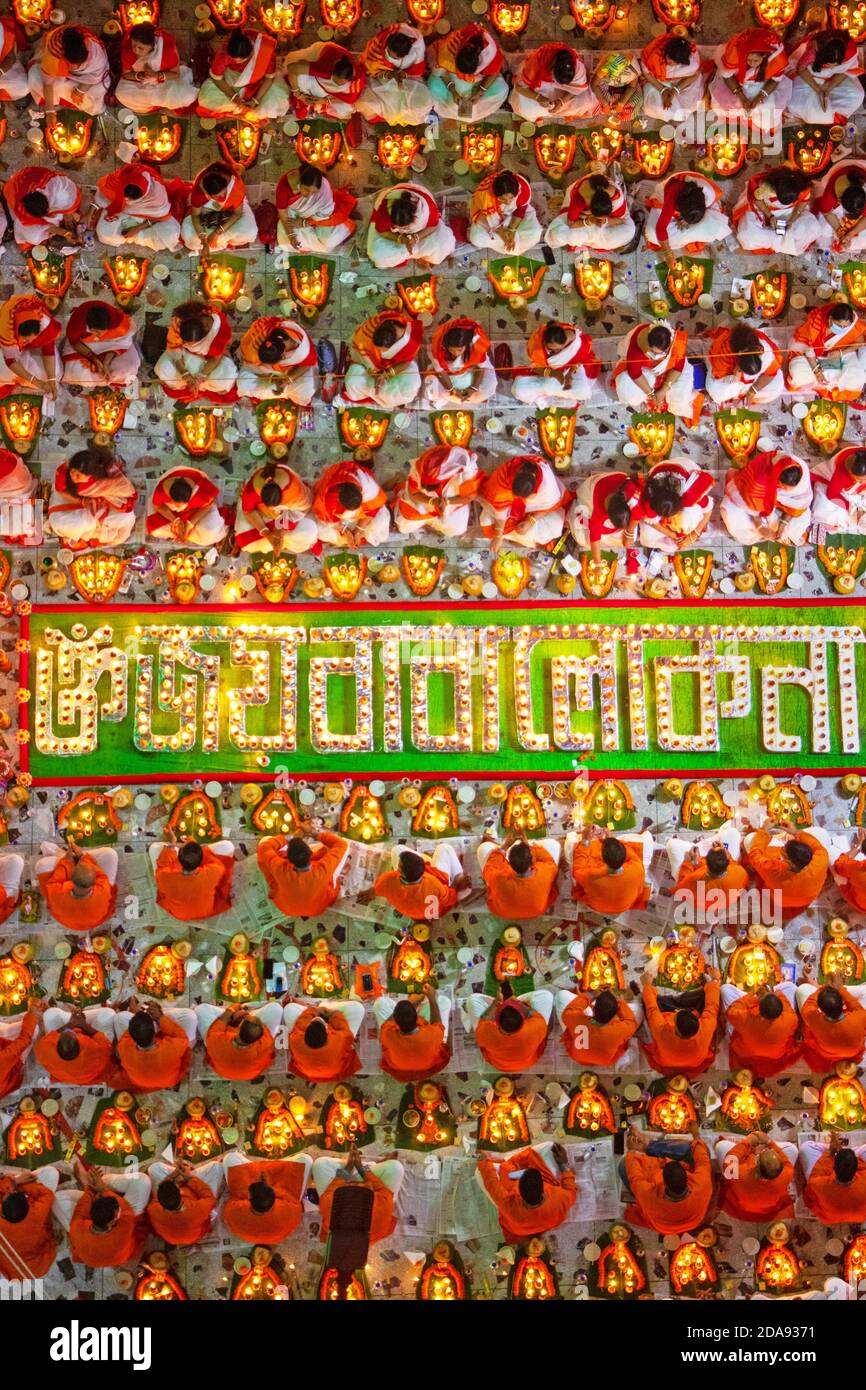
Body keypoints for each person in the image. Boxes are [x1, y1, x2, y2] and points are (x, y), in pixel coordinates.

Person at [57, 1163, 150, 1268]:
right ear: (113, 1221)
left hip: (86, 1241)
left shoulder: (77, 1228)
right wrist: (104, 1189)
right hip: (120, 1248)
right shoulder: (124, 1229)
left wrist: (89, 1189)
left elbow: (80, 1211)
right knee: (143, 1181)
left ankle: (93, 1183)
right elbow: (126, 1209)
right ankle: (100, 1182)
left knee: (57, 1198)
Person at [623, 1127, 713, 1234]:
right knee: (693, 1148)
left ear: (664, 1183)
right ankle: (648, 1145)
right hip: (693, 1222)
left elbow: (635, 1178)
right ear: (687, 1175)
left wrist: (633, 1151)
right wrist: (696, 1135)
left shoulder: (648, 1197)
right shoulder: (702, 1185)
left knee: (622, 1165)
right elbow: (703, 1160)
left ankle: (647, 1147)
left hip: (663, 1228)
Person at [478, 1143, 576, 1242]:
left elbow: (491, 1183)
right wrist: (563, 1164)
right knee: (549, 1145)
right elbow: (570, 1190)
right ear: (543, 1190)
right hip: (548, 1221)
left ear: (519, 1194)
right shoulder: (561, 1199)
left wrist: (481, 1159)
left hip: (519, 1229)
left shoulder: (510, 1206)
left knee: (480, 1173)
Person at [313, 1145, 404, 1247]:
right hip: (371, 1187)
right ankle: (372, 1166)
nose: (356, 1184)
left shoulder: (332, 1205)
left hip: (346, 1183)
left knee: (319, 1164)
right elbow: (380, 1187)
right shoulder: (382, 1204)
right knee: (396, 1167)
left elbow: (332, 1188)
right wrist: (361, 1169)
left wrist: (348, 1168)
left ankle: (366, 1167)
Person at [47, 447, 137, 549]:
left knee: (126, 520)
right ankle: (94, 531)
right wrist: (81, 501)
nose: (73, 477)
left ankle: (95, 531)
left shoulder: (103, 481)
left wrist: (97, 501)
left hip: (103, 503)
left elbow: (125, 492)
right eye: (72, 472)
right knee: (60, 524)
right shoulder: (64, 471)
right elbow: (61, 490)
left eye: (78, 475)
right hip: (69, 503)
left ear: (91, 476)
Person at [721, 450, 813, 547]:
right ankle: (767, 533)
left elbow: (798, 503)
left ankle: (778, 532)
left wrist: (783, 524)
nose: (784, 491)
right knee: (731, 516)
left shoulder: (802, 473)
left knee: (802, 521)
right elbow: (750, 501)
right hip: (752, 507)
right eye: (783, 487)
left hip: (777, 508)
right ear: (776, 478)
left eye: (789, 489)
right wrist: (761, 528)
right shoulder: (760, 479)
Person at [197, 26, 290, 122]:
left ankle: (242, 109)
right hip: (231, 81)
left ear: (251, 53)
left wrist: (255, 100)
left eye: (241, 60)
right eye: (234, 59)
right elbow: (216, 78)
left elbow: (269, 79)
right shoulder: (226, 52)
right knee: (205, 99)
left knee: (276, 103)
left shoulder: (265, 48)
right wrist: (234, 97)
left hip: (257, 83)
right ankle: (242, 110)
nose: (237, 62)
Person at [478, 455, 571, 551]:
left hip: (535, 512)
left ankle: (516, 535)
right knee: (486, 521)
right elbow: (500, 509)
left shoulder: (547, 487)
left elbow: (548, 508)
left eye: (524, 497)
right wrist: (499, 534)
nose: (519, 499)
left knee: (554, 527)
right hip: (507, 511)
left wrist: (530, 521)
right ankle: (513, 535)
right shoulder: (501, 481)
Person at [641, 967, 721, 1077]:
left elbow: (652, 1009)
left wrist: (647, 985)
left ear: (676, 1030)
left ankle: (674, 1002)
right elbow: (712, 1005)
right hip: (695, 1063)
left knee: (649, 1000)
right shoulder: (706, 1027)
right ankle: (681, 1001)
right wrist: (715, 980)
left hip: (667, 1060)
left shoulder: (662, 1032)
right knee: (707, 994)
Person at [612, 321, 698, 423]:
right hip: (645, 370)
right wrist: (651, 394)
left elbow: (678, 368)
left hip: (669, 369)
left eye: (659, 353)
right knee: (628, 392)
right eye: (652, 352)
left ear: (668, 347)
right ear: (648, 343)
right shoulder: (639, 342)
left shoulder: (676, 344)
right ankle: (652, 388)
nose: (655, 356)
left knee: (679, 402)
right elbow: (634, 373)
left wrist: (664, 389)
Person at [708, 27, 791, 130]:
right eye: (749, 59)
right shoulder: (736, 53)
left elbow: (775, 81)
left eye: (755, 60)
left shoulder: (775, 59)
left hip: (762, 85)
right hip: (738, 83)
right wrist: (742, 98)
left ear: (765, 56)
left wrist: (757, 99)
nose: (752, 63)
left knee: (768, 118)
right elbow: (727, 76)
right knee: (724, 108)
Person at [258, 824, 350, 917]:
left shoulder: (281, 868)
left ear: (289, 859)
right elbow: (341, 844)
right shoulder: (323, 869)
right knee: (343, 846)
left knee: (265, 840)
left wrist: (289, 838)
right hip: (317, 908)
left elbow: (264, 847)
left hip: (288, 909)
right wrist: (314, 834)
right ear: (310, 854)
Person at [743, 822, 831, 919]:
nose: (782, 847)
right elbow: (815, 844)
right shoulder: (822, 857)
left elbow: (754, 856)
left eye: (783, 850)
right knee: (822, 833)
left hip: (778, 900)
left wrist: (763, 830)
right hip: (805, 899)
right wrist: (795, 832)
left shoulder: (775, 872)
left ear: (789, 862)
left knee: (751, 840)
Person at [392, 445, 481, 539]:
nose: (426, 487)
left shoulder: (468, 470)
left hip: (453, 502)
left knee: (458, 529)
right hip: (425, 500)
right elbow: (414, 493)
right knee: (403, 527)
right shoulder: (421, 466)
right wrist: (432, 501)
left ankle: (431, 520)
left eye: (434, 485)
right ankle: (429, 519)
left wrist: (447, 502)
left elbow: (468, 497)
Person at [222, 1152, 313, 1242]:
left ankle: (271, 1164)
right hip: (279, 1194)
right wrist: (270, 1186)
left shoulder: (235, 1212)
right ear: (275, 1199)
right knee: (306, 1160)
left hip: (251, 1232)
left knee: (230, 1158)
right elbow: (295, 1201)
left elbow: (233, 1200)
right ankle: (279, 1163)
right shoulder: (288, 1212)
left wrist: (257, 1183)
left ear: (249, 1197)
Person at [632, 457, 714, 557]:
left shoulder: (690, 494)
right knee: (647, 536)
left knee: (688, 519)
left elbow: (708, 509)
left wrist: (694, 534)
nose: (667, 520)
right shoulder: (649, 496)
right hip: (659, 472)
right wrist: (672, 535)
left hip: (686, 467)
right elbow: (651, 520)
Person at [154, 302, 236, 401]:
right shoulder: (180, 320)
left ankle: (199, 386)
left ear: (206, 329)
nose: (187, 344)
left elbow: (215, 358)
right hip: (185, 356)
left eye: (192, 343)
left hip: (208, 364)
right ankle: (197, 385)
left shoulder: (222, 331)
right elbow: (174, 349)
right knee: (163, 368)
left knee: (227, 377)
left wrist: (201, 376)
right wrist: (185, 374)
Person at [342, 309, 422, 410]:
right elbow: (361, 355)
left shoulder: (410, 342)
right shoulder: (367, 333)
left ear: (395, 344)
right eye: (377, 350)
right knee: (352, 381)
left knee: (411, 384)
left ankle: (382, 396)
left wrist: (386, 374)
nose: (379, 353)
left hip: (393, 371)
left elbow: (406, 362)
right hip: (366, 367)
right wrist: (374, 372)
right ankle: (382, 397)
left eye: (383, 351)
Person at [427, 24, 508, 123]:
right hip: (453, 76)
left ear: (478, 66)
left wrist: (479, 92)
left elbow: (494, 73)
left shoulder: (492, 56)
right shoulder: (453, 45)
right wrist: (452, 90)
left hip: (479, 81)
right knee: (433, 87)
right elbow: (441, 70)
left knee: (502, 89)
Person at [733, 166, 821, 256]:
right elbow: (757, 200)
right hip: (765, 209)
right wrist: (770, 216)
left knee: (813, 228)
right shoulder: (766, 188)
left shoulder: (802, 187)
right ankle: (783, 241)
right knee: (747, 235)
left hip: (790, 210)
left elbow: (803, 202)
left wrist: (793, 218)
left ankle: (777, 239)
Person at [666, 829, 749, 925]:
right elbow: (734, 864)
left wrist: (692, 862)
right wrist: (724, 852)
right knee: (733, 832)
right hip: (721, 903)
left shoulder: (696, 878)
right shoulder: (740, 872)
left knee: (672, 844)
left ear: (706, 863)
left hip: (702, 902)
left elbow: (680, 888)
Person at [565, 825, 653, 916]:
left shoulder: (591, 876)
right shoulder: (637, 868)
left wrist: (585, 841)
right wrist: (613, 841)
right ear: (624, 857)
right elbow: (631, 854)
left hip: (597, 906)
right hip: (624, 906)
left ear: (602, 859)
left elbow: (578, 869)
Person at [93, 161, 181, 252]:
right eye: (125, 197)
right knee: (103, 234)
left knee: (170, 236)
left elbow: (161, 217)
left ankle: (135, 235)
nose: (127, 200)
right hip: (121, 212)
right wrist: (92, 209)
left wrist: (138, 228)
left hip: (147, 219)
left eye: (131, 199)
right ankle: (131, 235)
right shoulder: (123, 176)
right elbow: (103, 192)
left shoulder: (157, 197)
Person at [787, 302, 866, 402]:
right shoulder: (816, 323)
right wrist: (817, 372)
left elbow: (859, 342)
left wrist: (841, 353)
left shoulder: (852, 325)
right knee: (797, 373)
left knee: (857, 379)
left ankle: (832, 381)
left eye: (845, 326)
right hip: (812, 357)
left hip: (839, 355)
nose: (842, 329)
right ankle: (828, 381)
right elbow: (808, 349)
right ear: (830, 319)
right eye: (838, 325)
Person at [374, 980, 451, 1081]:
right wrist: (431, 997)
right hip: (428, 1066)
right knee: (444, 1001)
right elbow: (437, 1024)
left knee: (379, 1003)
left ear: (395, 1022)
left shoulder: (387, 1034)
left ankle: (405, 1009)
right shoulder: (431, 1035)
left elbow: (386, 1025)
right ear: (418, 1017)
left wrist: (410, 1002)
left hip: (400, 1068)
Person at [644, 172, 731, 260]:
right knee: (652, 234)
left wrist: (688, 221)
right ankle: (685, 238)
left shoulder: (708, 193)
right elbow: (660, 228)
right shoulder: (672, 196)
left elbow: (708, 210)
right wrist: (669, 256)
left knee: (715, 225)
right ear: (678, 206)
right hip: (664, 201)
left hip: (694, 208)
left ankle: (685, 236)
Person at [367, 183, 455, 270]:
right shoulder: (384, 210)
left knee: (445, 244)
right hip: (399, 237)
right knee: (377, 254)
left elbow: (433, 226)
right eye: (397, 226)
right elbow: (383, 232)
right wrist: (401, 239)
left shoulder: (425, 211)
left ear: (415, 217)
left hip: (419, 232)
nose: (403, 229)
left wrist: (416, 237)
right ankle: (411, 254)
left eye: (405, 227)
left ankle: (409, 254)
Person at [465, 985, 554, 1071]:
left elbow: (485, 1018)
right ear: (524, 1020)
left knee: (473, 999)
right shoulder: (536, 1026)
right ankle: (514, 1001)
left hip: (498, 1064)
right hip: (527, 1062)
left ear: (496, 1022)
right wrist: (515, 1001)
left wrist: (496, 1003)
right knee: (546, 996)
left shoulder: (485, 1031)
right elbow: (531, 1013)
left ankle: (505, 1002)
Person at [357, 24, 432, 126]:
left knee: (415, 102)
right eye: (388, 53)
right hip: (383, 77)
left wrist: (403, 76)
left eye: (395, 58)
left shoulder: (416, 50)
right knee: (379, 101)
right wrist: (389, 74)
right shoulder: (379, 46)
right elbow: (370, 67)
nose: (390, 59)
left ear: (404, 56)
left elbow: (415, 72)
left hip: (405, 80)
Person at [512, 322, 601, 409]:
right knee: (519, 390)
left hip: (568, 372)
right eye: (551, 350)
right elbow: (535, 369)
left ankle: (549, 390)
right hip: (545, 375)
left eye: (559, 350)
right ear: (544, 342)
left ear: (565, 341)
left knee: (584, 392)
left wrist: (570, 373)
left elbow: (579, 360)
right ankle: (548, 391)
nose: (555, 352)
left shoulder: (573, 338)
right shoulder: (537, 348)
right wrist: (554, 373)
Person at [235, 461, 317, 555]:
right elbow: (249, 511)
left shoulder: (294, 490)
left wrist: (281, 531)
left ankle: (283, 541)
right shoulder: (253, 489)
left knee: (308, 532)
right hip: (263, 514)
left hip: (290, 515)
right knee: (245, 542)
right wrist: (266, 533)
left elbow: (303, 509)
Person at [113, 998, 194, 1092]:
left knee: (120, 1017)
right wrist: (160, 1017)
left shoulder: (123, 1047)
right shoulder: (173, 1048)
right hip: (169, 1081)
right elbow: (181, 1037)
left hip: (139, 1082)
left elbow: (129, 1033)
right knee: (189, 1016)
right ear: (155, 1030)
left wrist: (137, 1015)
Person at [115, 21, 197, 113]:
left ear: (153, 46)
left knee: (187, 97)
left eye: (141, 48)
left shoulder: (167, 50)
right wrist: (140, 75)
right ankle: (156, 100)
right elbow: (126, 74)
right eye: (134, 45)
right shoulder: (128, 50)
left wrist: (156, 75)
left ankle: (154, 100)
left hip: (164, 82)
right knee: (120, 93)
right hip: (139, 82)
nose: (136, 50)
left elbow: (176, 74)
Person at [36, 838, 117, 932]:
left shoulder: (57, 892)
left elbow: (56, 880)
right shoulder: (102, 887)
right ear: (94, 882)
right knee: (111, 854)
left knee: (41, 865)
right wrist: (82, 856)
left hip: (68, 920)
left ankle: (64, 855)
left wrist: (68, 860)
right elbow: (101, 875)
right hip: (94, 919)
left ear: (70, 879)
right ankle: (72, 855)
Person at [722, 982, 801, 1076]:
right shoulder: (791, 1019)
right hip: (775, 1054)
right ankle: (773, 992)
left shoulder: (746, 1018)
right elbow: (786, 1005)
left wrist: (754, 996)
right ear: (781, 1010)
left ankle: (763, 996)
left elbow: (730, 1012)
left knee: (725, 990)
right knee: (790, 987)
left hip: (746, 1051)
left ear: (758, 1007)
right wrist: (776, 993)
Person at [545, 170, 635, 253]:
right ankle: (591, 240)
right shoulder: (579, 198)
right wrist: (588, 221)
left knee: (629, 232)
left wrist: (607, 221)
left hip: (605, 223)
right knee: (557, 234)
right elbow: (571, 224)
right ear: (589, 207)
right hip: (583, 220)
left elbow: (621, 220)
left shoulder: (616, 198)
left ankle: (589, 240)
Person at [28, 23, 109, 115]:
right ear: (64, 57)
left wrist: (80, 90)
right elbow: (47, 84)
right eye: (74, 64)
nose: (77, 67)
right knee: (35, 79)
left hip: (86, 79)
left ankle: (66, 101)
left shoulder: (95, 51)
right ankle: (61, 103)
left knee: (98, 91)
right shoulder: (54, 54)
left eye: (80, 64)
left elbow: (97, 75)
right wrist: (50, 112)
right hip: (62, 73)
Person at [477, 831, 562, 918]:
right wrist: (528, 845)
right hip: (536, 911)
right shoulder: (545, 873)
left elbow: (490, 866)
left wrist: (505, 846)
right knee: (553, 844)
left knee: (483, 848)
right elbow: (548, 860)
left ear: (508, 862)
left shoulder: (498, 878)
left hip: (503, 911)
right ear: (532, 859)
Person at [371, 843, 467, 920]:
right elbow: (451, 898)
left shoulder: (389, 879)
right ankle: (459, 876)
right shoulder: (433, 884)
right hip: (432, 910)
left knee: (397, 849)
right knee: (444, 848)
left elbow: (375, 891)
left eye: (399, 866)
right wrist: (462, 886)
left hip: (415, 915)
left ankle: (429, 859)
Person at [150, 834, 235, 921]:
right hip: (205, 911)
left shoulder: (164, 876)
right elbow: (216, 862)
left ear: (178, 859)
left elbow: (162, 864)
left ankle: (179, 851)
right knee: (228, 846)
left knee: (154, 847)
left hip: (179, 914)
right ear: (201, 861)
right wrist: (197, 848)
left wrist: (172, 844)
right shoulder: (214, 871)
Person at [275, 165, 357, 256]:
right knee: (284, 241)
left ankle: (346, 225)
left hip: (319, 217)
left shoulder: (324, 188)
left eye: (314, 192)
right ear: (300, 182)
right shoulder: (284, 187)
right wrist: (291, 236)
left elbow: (324, 214)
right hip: (297, 211)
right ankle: (311, 242)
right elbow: (283, 212)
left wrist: (305, 223)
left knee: (328, 243)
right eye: (306, 189)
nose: (309, 195)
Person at [788, 29, 864, 125]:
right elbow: (801, 70)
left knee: (857, 95)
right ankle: (827, 113)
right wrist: (818, 89)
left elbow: (845, 71)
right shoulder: (812, 52)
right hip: (811, 77)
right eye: (828, 64)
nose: (831, 67)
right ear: (821, 56)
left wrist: (828, 87)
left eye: (836, 64)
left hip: (834, 77)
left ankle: (832, 112)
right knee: (795, 104)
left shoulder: (850, 51)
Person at [715, 1133, 796, 1223]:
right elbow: (786, 1161)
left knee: (721, 1146)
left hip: (742, 1205)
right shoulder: (788, 1173)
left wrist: (748, 1142)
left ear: (756, 1162)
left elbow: (731, 1157)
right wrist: (769, 1142)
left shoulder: (738, 1173)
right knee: (792, 1149)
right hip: (770, 1208)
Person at [510, 43, 599, 123]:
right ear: (551, 68)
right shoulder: (537, 64)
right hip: (538, 88)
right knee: (526, 109)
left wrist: (562, 101)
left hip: (561, 95)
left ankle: (555, 109)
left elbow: (575, 91)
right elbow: (520, 87)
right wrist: (539, 98)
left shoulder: (578, 70)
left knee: (585, 102)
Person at [237, 317, 317, 405]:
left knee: (306, 390)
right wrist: (273, 379)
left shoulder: (303, 352)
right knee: (245, 379)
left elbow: (307, 365)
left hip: (288, 376)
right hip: (259, 361)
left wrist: (288, 380)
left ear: (283, 356)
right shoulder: (270, 333)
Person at [180, 161, 257, 253]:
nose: (223, 196)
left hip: (232, 208)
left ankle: (220, 241)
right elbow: (196, 216)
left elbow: (238, 213)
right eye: (217, 196)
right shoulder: (199, 192)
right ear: (208, 194)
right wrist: (204, 241)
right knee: (188, 236)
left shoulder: (235, 188)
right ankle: (218, 242)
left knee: (250, 231)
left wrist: (217, 233)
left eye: (224, 192)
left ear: (227, 182)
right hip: (207, 209)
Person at [555, 987, 642, 1067]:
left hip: (578, 1057)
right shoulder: (620, 1030)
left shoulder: (576, 1019)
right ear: (615, 1015)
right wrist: (620, 1001)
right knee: (638, 1009)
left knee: (561, 995)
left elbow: (571, 1010)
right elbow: (630, 1021)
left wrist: (590, 995)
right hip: (605, 1061)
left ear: (592, 1008)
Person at [3, 166, 81, 254]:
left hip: (32, 185)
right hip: (15, 194)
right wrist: (65, 233)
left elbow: (68, 192)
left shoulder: (53, 184)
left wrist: (68, 213)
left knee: (67, 215)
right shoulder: (20, 208)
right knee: (33, 236)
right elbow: (41, 225)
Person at [197, 1001, 284, 1081]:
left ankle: (245, 1015)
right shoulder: (265, 1043)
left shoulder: (217, 1041)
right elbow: (263, 1030)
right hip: (249, 1074)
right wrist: (248, 1015)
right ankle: (252, 1013)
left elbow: (218, 1025)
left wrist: (231, 1011)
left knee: (201, 1009)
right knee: (276, 1008)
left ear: (238, 1026)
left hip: (223, 1067)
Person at [566, 469, 641, 562]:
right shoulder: (597, 510)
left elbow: (637, 514)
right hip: (588, 500)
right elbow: (594, 538)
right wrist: (597, 564)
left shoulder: (632, 493)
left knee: (631, 538)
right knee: (584, 540)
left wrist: (629, 534)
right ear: (608, 515)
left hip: (612, 491)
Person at [62, 300, 140, 389]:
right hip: (85, 342)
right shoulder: (76, 326)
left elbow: (120, 341)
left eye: (102, 332)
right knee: (76, 374)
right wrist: (96, 360)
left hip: (110, 339)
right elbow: (75, 343)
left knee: (131, 366)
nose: (99, 336)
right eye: (96, 332)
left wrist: (106, 363)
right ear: (88, 326)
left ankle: (112, 377)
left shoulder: (115, 321)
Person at [797, 973, 866, 1072]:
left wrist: (824, 987)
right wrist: (840, 988)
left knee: (803, 989)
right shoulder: (860, 1017)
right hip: (852, 1051)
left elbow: (808, 1005)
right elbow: (854, 1005)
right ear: (843, 1003)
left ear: (820, 1009)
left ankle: (818, 987)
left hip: (828, 1051)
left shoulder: (814, 1019)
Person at [146, 466, 229, 547]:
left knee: (211, 533)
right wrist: (175, 520)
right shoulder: (161, 492)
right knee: (157, 531)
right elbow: (158, 507)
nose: (179, 507)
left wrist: (191, 523)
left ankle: (186, 531)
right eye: (176, 504)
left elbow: (208, 505)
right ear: (170, 496)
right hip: (171, 512)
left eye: (181, 505)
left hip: (195, 510)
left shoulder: (200, 490)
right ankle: (184, 532)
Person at [283, 999, 364, 1082]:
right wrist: (331, 1013)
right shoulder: (339, 1040)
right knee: (357, 1008)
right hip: (336, 1070)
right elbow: (344, 1029)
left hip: (307, 1071)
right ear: (328, 1030)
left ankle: (321, 1006)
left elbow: (300, 1023)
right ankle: (326, 1005)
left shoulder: (296, 1040)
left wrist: (314, 1009)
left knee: (289, 1009)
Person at [312, 461, 390, 548]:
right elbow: (329, 520)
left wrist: (358, 530)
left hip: (358, 517)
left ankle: (357, 535)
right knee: (321, 531)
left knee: (382, 520)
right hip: (341, 521)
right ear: (339, 500)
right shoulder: (328, 498)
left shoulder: (366, 485)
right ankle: (351, 537)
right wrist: (346, 532)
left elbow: (373, 508)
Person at [705, 324, 785, 408]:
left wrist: (752, 391)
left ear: (759, 352)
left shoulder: (764, 349)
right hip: (732, 379)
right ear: (738, 357)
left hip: (752, 381)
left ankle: (743, 392)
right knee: (716, 392)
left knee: (777, 387)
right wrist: (734, 378)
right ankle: (737, 392)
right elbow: (719, 376)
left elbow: (770, 374)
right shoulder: (724, 352)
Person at [0, 1168, 59, 1281]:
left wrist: (13, 1183)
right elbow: (47, 1194)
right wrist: (19, 1184)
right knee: (51, 1173)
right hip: (40, 1264)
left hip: (12, 1271)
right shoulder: (36, 1212)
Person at [35, 1003, 115, 1085]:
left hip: (64, 1075)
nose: (71, 1030)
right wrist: (83, 1024)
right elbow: (107, 1045)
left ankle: (72, 1018)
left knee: (50, 1013)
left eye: (67, 1031)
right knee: (108, 1013)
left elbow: (48, 1037)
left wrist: (70, 1024)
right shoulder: (94, 1050)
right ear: (79, 1041)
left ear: (57, 1043)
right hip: (89, 1076)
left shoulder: (46, 1049)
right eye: (72, 1032)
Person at [425, 319, 496, 409]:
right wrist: (452, 390)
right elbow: (441, 372)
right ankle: (460, 398)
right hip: (449, 374)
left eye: (459, 350)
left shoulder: (476, 345)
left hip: (470, 370)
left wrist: (473, 388)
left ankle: (468, 397)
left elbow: (480, 367)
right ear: (445, 346)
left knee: (490, 386)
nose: (456, 353)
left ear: (466, 344)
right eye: (451, 350)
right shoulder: (438, 349)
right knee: (433, 389)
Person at [284, 42, 364, 121]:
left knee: (346, 109)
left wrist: (325, 101)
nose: (336, 85)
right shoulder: (324, 69)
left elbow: (349, 99)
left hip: (326, 86)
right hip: (321, 54)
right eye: (334, 82)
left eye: (340, 84)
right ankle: (305, 100)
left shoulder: (357, 80)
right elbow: (292, 68)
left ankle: (314, 102)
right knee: (299, 78)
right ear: (332, 73)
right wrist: (298, 94)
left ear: (350, 79)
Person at [146, 1160, 218, 1246]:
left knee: (154, 1168)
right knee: (216, 1167)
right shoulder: (197, 1211)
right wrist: (189, 1178)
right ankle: (188, 1173)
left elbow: (160, 1193)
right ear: (181, 1192)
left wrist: (175, 1174)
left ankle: (183, 1173)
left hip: (172, 1238)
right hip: (196, 1233)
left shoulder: (153, 1209)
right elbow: (210, 1198)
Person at [0, 295, 61, 398]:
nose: (31, 341)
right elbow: (10, 361)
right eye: (26, 340)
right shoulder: (6, 332)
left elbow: (48, 349)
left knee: (55, 372)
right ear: (17, 334)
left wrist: (52, 380)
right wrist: (36, 381)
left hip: (24, 317)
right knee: (6, 373)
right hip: (7, 324)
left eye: (34, 337)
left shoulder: (41, 318)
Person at [468, 170, 541, 256]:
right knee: (476, 238)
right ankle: (508, 246)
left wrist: (511, 230)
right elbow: (485, 218)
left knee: (536, 232)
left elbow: (521, 210)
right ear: (495, 195)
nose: (508, 202)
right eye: (503, 199)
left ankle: (507, 246)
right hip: (490, 222)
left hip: (514, 215)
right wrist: (503, 234)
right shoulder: (485, 197)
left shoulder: (523, 189)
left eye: (511, 198)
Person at [639, 34, 709, 123]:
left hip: (681, 82)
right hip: (658, 82)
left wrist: (675, 90)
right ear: (666, 51)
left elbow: (694, 76)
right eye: (669, 59)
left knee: (691, 105)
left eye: (675, 62)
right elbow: (647, 74)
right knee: (653, 107)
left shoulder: (692, 61)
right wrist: (663, 90)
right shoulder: (653, 57)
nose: (670, 63)